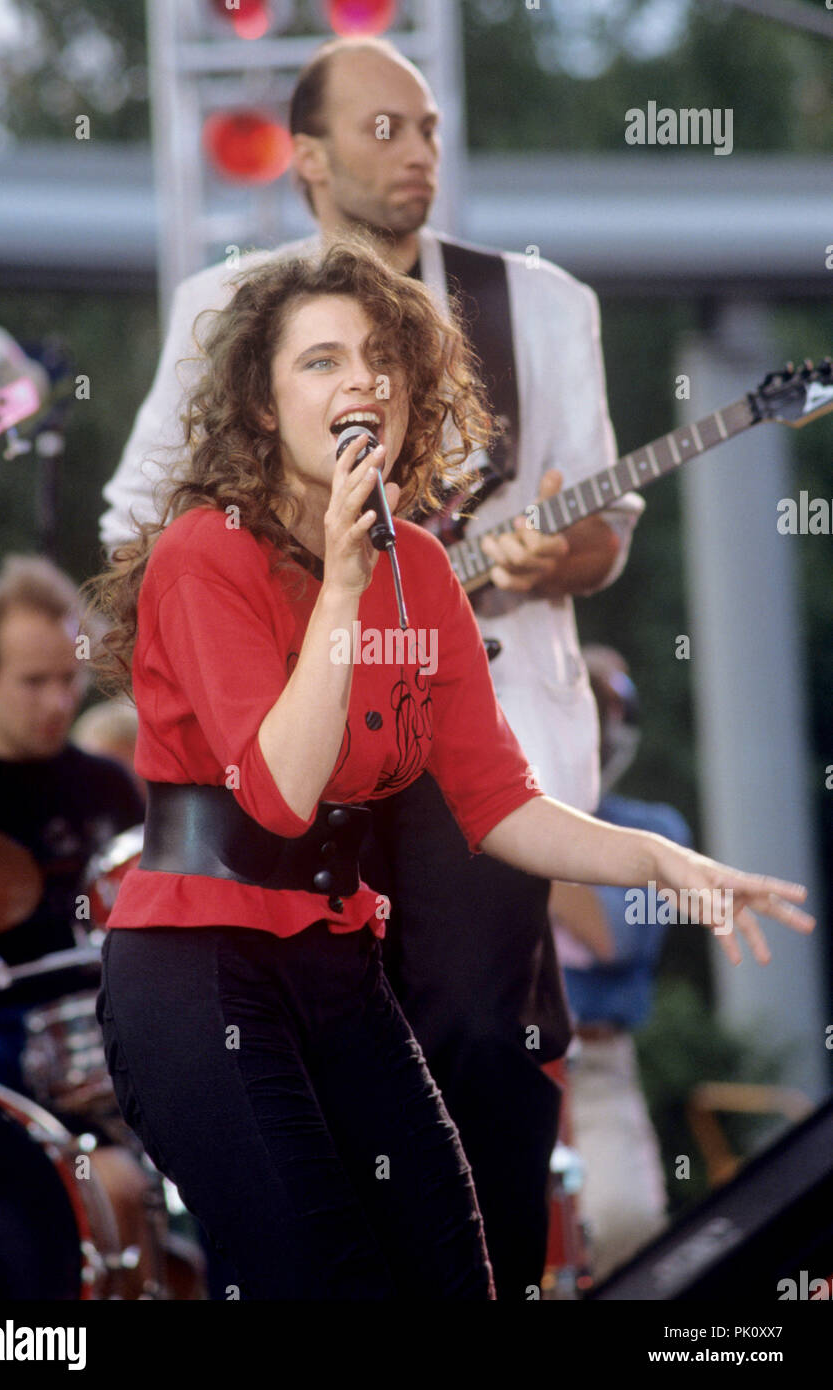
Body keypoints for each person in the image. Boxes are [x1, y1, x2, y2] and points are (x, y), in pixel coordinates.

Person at [88, 240, 813, 1302]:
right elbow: (279, 796)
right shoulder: (208, 553)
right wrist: (342, 588)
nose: (362, 382)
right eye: (322, 362)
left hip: (339, 964)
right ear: (260, 406)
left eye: (380, 359)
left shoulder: (418, 567)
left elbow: (498, 800)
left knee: (453, 1276)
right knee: (327, 1281)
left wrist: (658, 860)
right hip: (200, 972)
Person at [98, 35, 643, 1296]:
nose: (417, 154)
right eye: (383, 129)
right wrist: (255, 620)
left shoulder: (540, 303)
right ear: (306, 159)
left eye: (430, 128)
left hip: (466, 726)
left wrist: (560, 553)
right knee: (305, 1053)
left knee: (478, 1031)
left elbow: (608, 535)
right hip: (287, 751)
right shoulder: (227, 308)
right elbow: (140, 517)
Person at [0, 556, 144, 1093]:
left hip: (103, 1017)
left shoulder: (110, 784)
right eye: (33, 682)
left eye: (69, 679)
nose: (58, 701)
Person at [550, 645, 689, 1280]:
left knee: (626, 1229)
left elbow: (613, 938)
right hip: (503, 1060)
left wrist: (519, 825)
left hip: (597, 1068)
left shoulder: (655, 831)